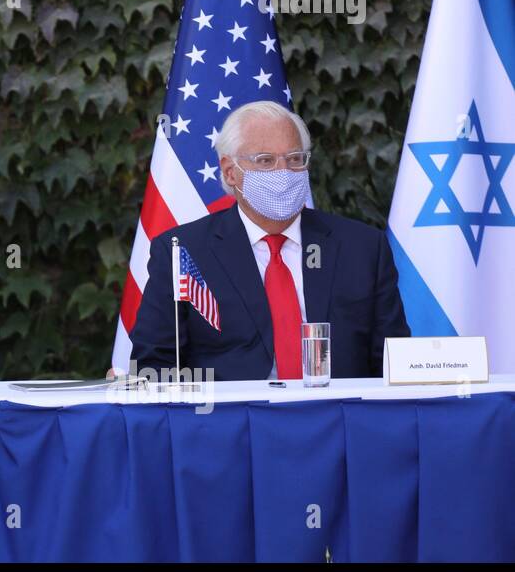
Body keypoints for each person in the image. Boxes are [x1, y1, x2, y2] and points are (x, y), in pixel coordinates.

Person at [129, 100, 409, 380]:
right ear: (230, 171)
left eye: (295, 159)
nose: (283, 172)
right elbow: (154, 365)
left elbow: (393, 364)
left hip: (339, 416)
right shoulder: (183, 251)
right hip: (232, 419)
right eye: (265, 161)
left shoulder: (362, 248)